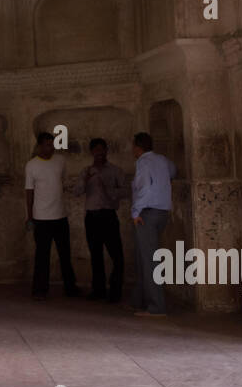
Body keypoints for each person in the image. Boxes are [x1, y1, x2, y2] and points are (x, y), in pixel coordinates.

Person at [73, 137, 129, 303]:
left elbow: (126, 191)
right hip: (92, 217)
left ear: (106, 151)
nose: (99, 152)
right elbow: (76, 192)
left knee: (117, 256)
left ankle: (115, 291)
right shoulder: (86, 171)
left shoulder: (115, 171)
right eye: (95, 149)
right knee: (96, 255)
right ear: (91, 152)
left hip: (108, 216)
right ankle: (98, 290)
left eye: (101, 149)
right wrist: (85, 180)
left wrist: (110, 190)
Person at [25, 132, 80, 299]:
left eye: (53, 144)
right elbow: (29, 192)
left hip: (60, 216)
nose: (51, 147)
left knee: (65, 254)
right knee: (42, 256)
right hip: (41, 218)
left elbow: (63, 182)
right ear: (40, 146)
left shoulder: (60, 161)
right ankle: (40, 290)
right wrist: (30, 217)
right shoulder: (31, 165)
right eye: (48, 144)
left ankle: (70, 288)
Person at [128, 132, 177, 317]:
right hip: (162, 212)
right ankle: (138, 302)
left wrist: (135, 212)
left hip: (146, 214)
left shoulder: (143, 162)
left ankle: (156, 307)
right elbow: (173, 171)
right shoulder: (163, 160)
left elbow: (144, 188)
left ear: (138, 147)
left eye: (133, 146)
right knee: (144, 258)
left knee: (149, 261)